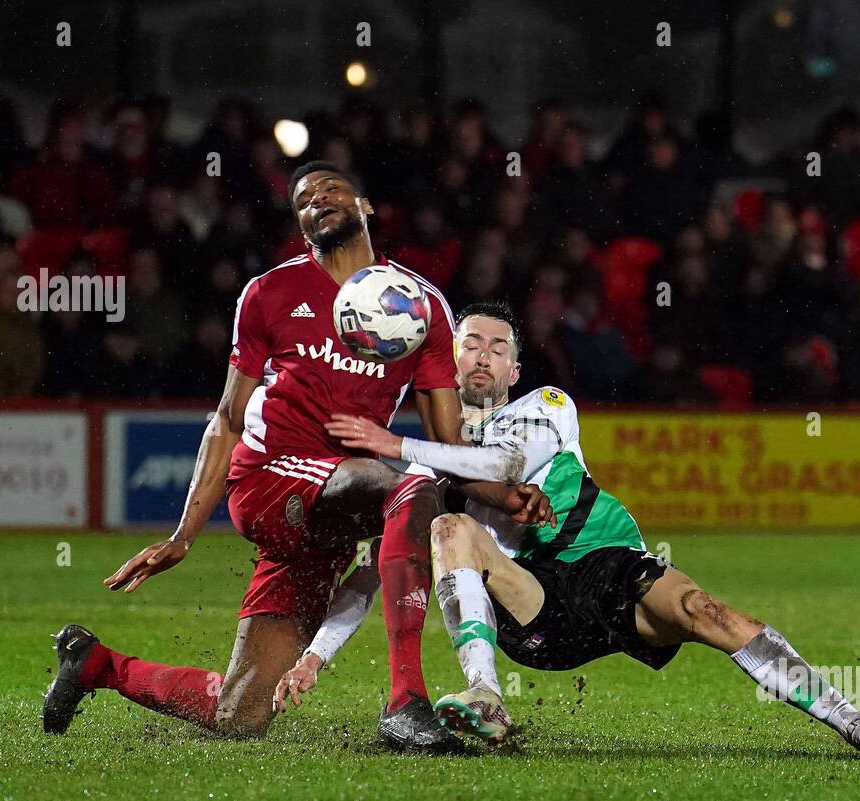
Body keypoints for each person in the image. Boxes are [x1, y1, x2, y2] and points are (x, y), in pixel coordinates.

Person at [44, 162, 549, 752]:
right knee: (407, 488)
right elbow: (229, 418)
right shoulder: (269, 294)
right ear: (301, 226)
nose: (316, 200)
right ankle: (404, 702)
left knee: (241, 712)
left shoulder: (423, 308)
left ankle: (97, 665)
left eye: (330, 189)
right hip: (270, 479)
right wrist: (183, 535)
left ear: (364, 205)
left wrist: (506, 497)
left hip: (330, 515)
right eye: (303, 199)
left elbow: (450, 448)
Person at [276, 301, 860, 758]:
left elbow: (505, 466)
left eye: (499, 349)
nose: (484, 357)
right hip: (534, 606)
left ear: (516, 370)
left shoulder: (545, 407)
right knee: (446, 531)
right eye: (470, 343)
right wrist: (313, 657)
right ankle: (486, 698)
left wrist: (397, 443)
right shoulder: (419, 462)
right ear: (444, 357)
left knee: (701, 610)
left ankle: (854, 723)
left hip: (608, 569)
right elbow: (378, 569)